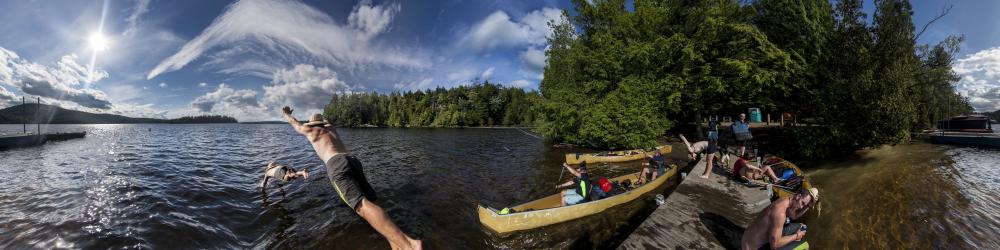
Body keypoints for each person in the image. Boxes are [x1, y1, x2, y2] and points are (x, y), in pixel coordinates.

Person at [281, 106, 421, 250]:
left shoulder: (309, 130)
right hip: (352, 160)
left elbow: (294, 123)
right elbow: (327, 122)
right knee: (372, 201)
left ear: (311, 123)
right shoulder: (331, 129)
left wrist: (286, 114)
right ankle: (395, 242)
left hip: (335, 164)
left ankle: (409, 245)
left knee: (361, 205)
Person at [741, 188, 820, 250]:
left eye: (805, 205)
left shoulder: (786, 200)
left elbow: (794, 216)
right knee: (804, 245)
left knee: (802, 227)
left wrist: (808, 206)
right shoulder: (780, 214)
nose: (801, 207)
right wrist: (796, 236)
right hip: (753, 248)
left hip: (748, 240)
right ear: (798, 196)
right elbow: (774, 245)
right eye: (802, 203)